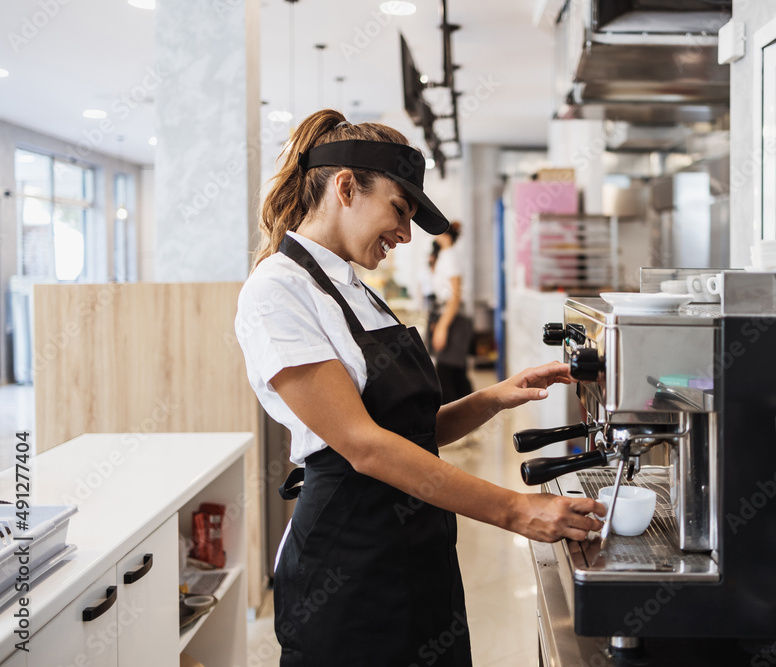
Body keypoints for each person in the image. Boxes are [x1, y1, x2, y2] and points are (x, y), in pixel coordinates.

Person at [234, 109, 604, 667]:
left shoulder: (357, 289)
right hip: (349, 562)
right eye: (399, 210)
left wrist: (497, 394)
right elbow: (363, 444)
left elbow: (408, 429)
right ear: (345, 187)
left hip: (419, 544)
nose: (405, 235)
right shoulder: (277, 292)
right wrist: (514, 510)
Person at [428, 222, 474, 403]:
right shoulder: (447, 256)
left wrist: (442, 327)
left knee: (446, 373)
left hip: (455, 318)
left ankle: (455, 419)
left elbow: (455, 296)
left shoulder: (451, 257)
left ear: (444, 236)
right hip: (450, 316)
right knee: (456, 371)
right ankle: (471, 417)